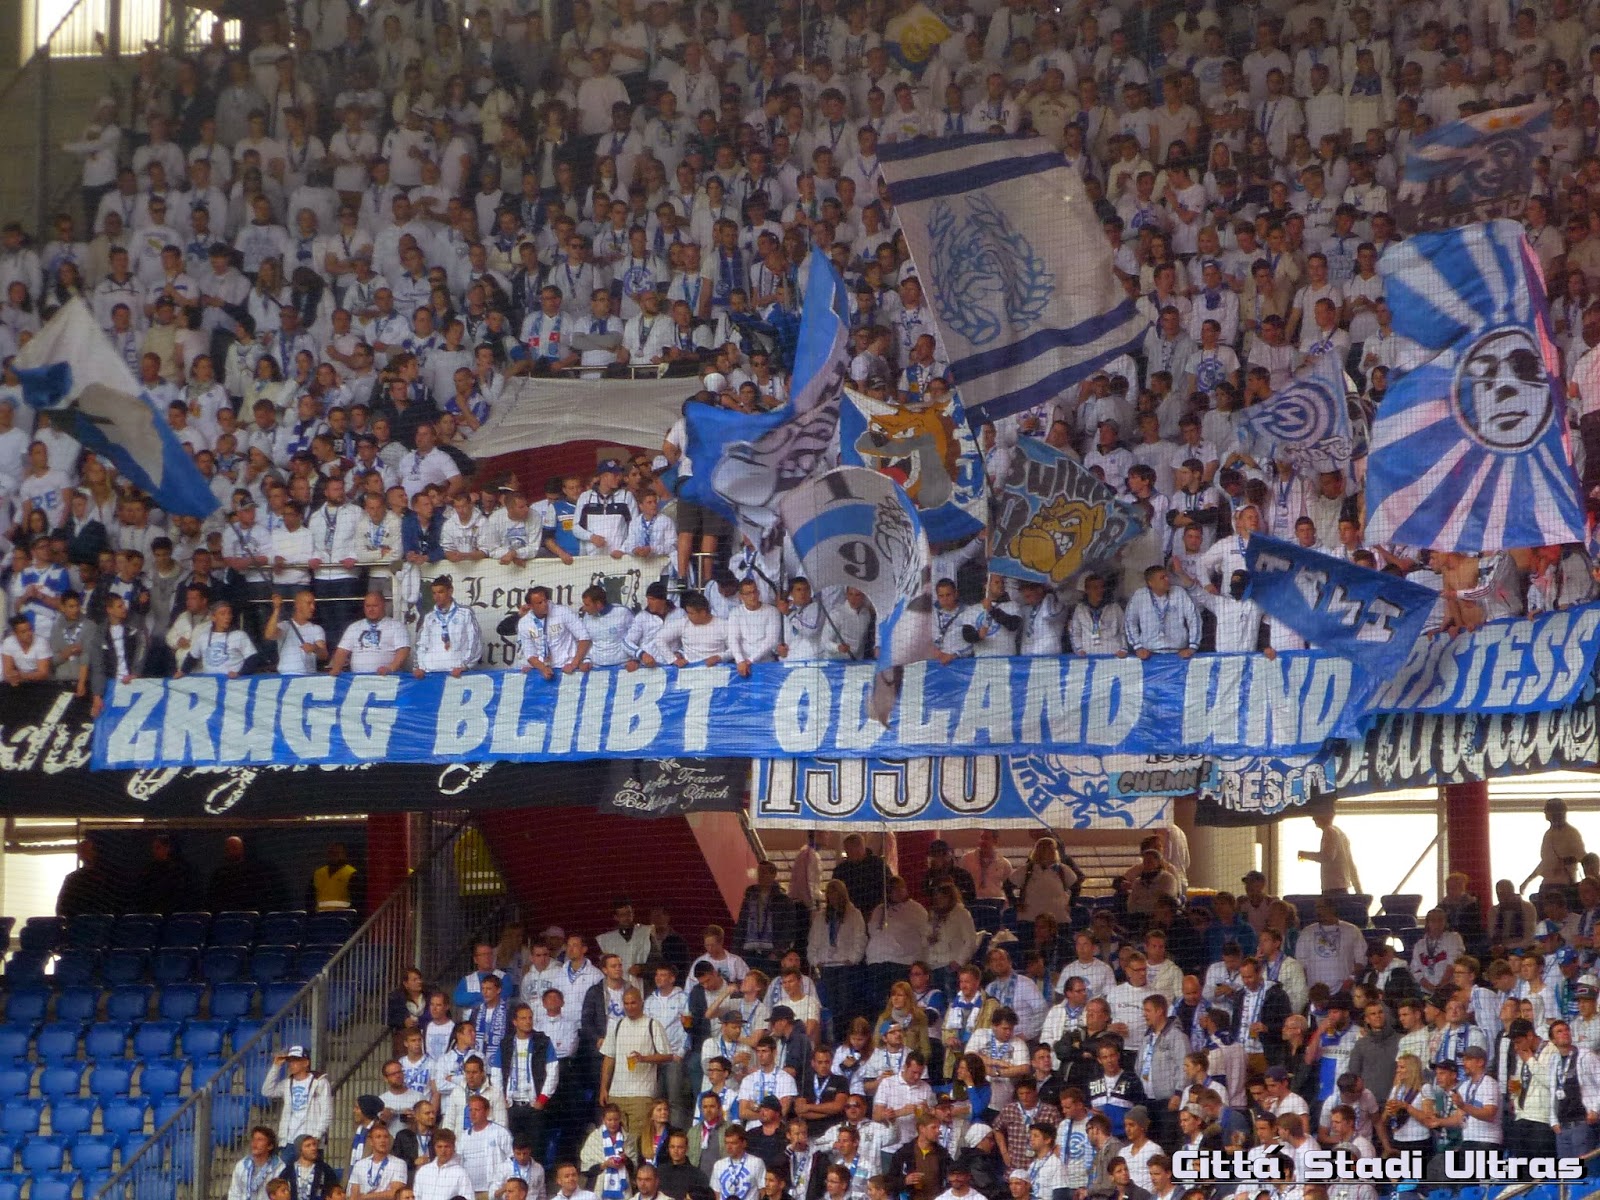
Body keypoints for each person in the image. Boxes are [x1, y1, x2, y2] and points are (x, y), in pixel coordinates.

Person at [263, 1046, 333, 1167]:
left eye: (295, 1060)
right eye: (290, 1061)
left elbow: (327, 1113)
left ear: (306, 1063)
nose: (291, 1064)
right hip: (289, 1142)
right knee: (283, 1178)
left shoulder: (320, 1082)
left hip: (310, 1140)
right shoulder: (287, 1083)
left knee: (310, 1177)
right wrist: (276, 1066)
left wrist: (316, 1136)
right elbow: (267, 1091)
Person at [1523, 799, 1587, 893]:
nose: (1544, 812)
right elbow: (1545, 862)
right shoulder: (1548, 834)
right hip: (1547, 882)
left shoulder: (1571, 833)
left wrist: (1563, 862)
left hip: (1563, 883)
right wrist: (1527, 881)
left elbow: (1582, 856)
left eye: (1547, 810)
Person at [1297, 808, 1361, 894]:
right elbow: (1349, 862)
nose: (1313, 818)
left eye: (1315, 816)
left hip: (1333, 886)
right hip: (1341, 884)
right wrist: (1358, 888)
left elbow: (1327, 857)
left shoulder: (1329, 832)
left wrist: (1304, 855)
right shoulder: (1339, 832)